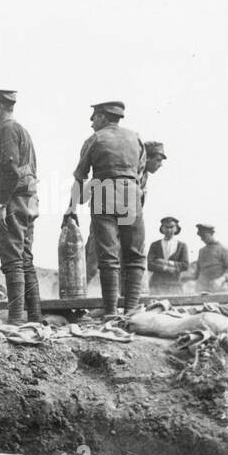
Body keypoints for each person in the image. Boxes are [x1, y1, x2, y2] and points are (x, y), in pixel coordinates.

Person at [70, 100, 146, 315]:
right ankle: (131, 310)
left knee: (108, 255)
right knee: (134, 254)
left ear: (102, 117)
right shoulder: (136, 137)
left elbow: (80, 177)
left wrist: (71, 207)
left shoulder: (95, 139)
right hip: (131, 193)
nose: (91, 121)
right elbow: (140, 172)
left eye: (94, 117)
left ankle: (111, 311)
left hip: (105, 192)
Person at [0, 90, 40, 324]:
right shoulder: (21, 131)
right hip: (28, 199)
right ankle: (34, 316)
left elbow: (10, 170)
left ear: (0, 105)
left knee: (12, 259)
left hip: (13, 200)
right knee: (25, 258)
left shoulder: (7, 130)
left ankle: (15, 319)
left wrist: (2, 205)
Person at [145, 215, 189, 294]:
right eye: (166, 227)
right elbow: (149, 264)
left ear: (176, 228)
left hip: (174, 284)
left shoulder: (182, 246)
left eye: (171, 227)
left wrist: (166, 262)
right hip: (157, 285)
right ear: (162, 228)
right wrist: (165, 268)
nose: (169, 230)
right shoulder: (155, 245)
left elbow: (185, 265)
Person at [191, 223, 228, 292]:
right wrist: (192, 280)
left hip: (219, 289)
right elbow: (198, 272)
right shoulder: (202, 251)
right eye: (201, 236)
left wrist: (222, 279)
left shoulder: (223, 249)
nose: (202, 239)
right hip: (202, 289)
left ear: (211, 233)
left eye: (204, 236)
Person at [139, 140, 166, 205]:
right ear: (147, 158)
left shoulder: (144, 175)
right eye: (158, 160)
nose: (160, 165)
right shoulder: (134, 172)